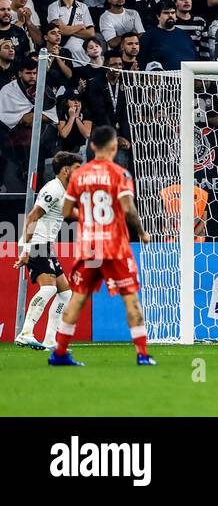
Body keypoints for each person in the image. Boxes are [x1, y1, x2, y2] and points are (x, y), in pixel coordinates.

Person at [48, 125, 156, 367]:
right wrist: (141, 232)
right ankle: (142, 354)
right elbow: (128, 208)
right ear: (114, 147)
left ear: (93, 146)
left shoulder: (79, 175)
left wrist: (87, 217)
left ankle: (60, 352)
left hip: (89, 247)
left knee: (77, 298)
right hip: (115, 247)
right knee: (130, 298)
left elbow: (66, 212)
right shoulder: (120, 174)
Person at [13, 152, 82, 350]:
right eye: (77, 168)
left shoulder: (64, 190)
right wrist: (25, 250)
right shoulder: (53, 189)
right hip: (35, 244)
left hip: (45, 245)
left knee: (65, 293)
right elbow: (32, 217)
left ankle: (50, 339)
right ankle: (26, 332)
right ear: (66, 170)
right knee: (49, 288)